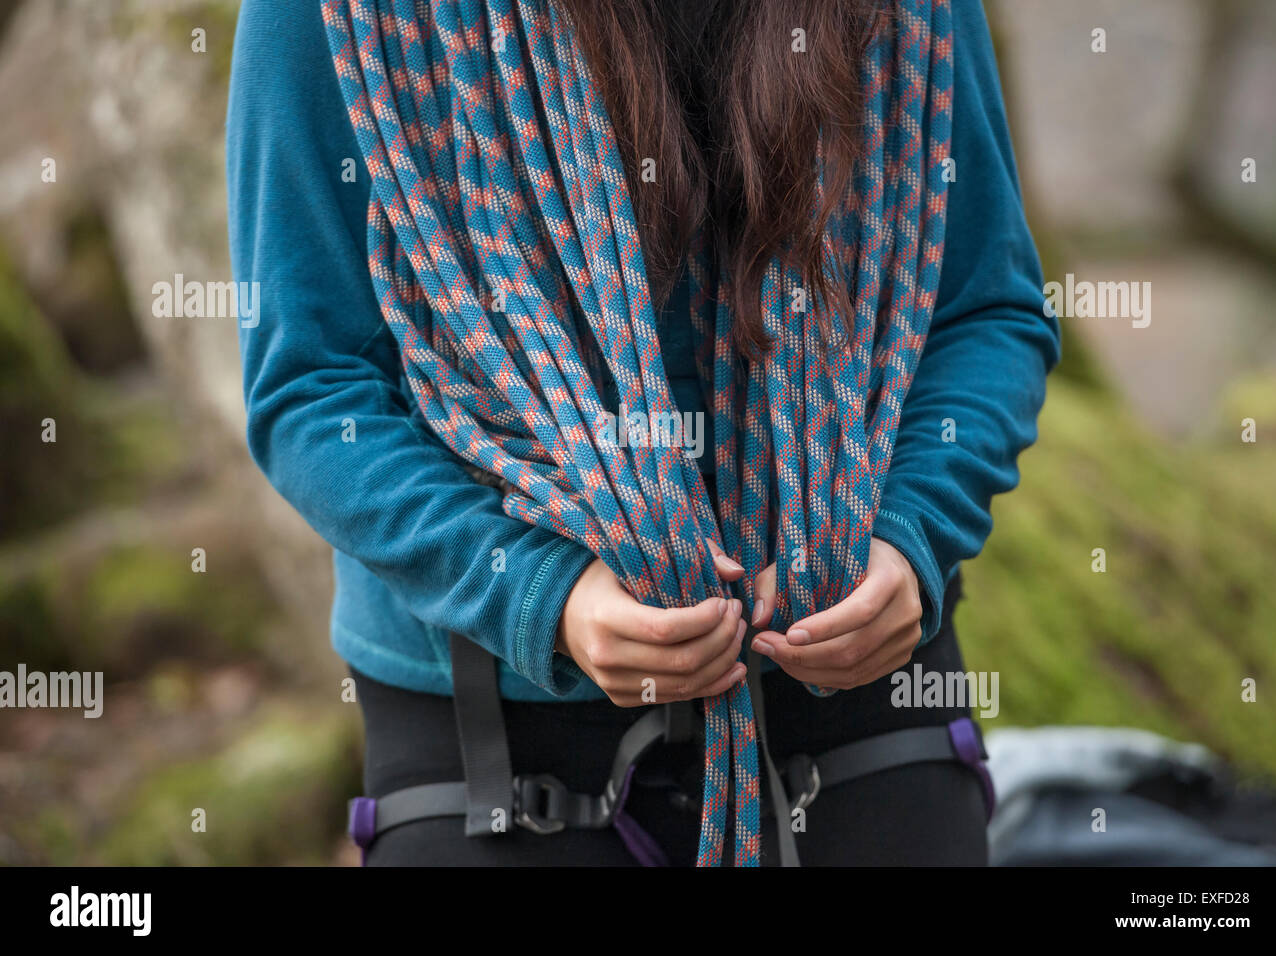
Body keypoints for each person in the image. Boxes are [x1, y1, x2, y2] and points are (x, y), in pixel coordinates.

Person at [227, 0, 1060, 866]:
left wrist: (909, 534)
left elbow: (984, 310)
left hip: (860, 709)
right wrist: (543, 597)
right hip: (495, 742)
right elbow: (314, 387)